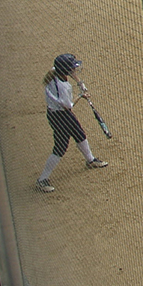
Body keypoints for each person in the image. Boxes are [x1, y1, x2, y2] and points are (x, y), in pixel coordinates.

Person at [35, 53, 107, 191]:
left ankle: (90, 160)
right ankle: (42, 179)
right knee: (60, 148)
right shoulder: (64, 87)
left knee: (79, 134)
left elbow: (72, 75)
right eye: (72, 68)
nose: (75, 70)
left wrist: (80, 82)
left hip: (59, 114)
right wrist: (81, 95)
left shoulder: (55, 72)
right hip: (60, 117)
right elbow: (69, 106)